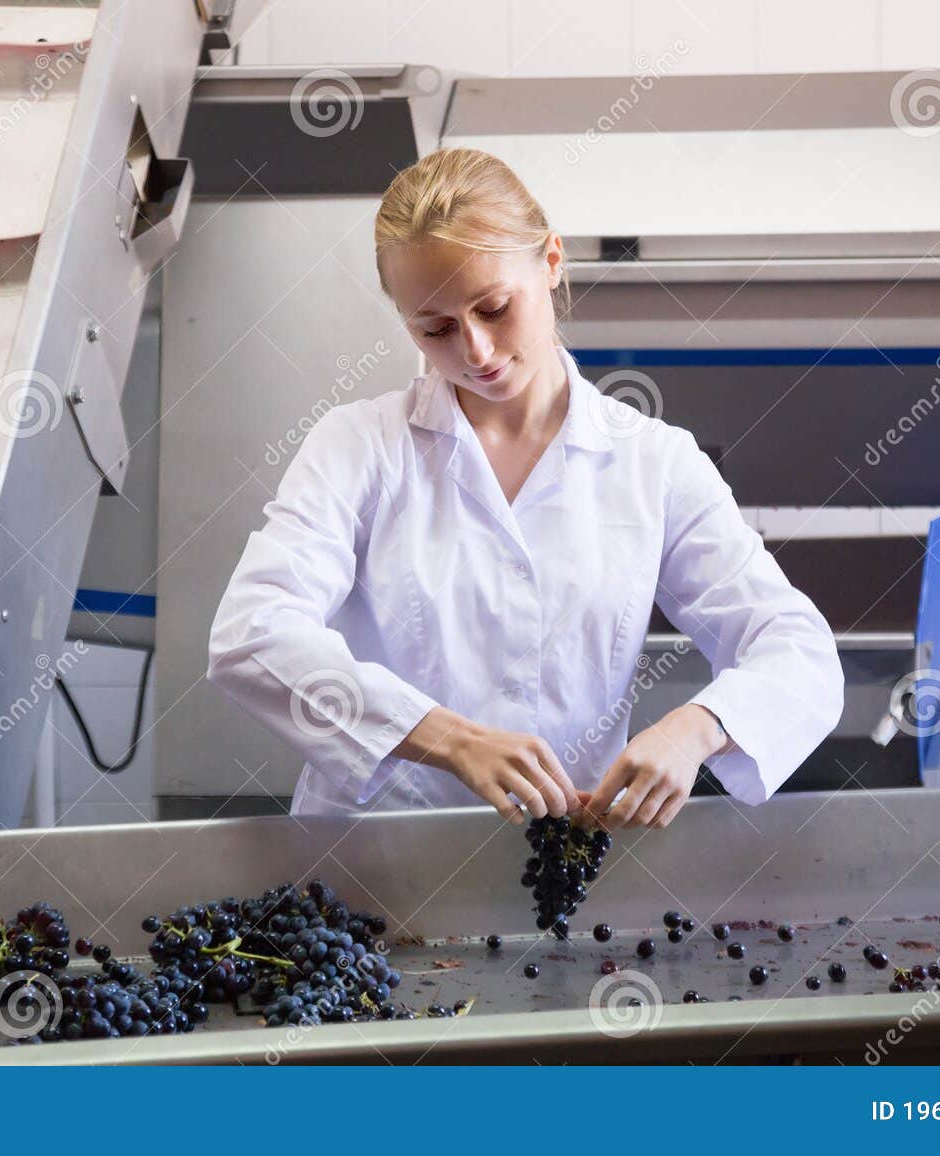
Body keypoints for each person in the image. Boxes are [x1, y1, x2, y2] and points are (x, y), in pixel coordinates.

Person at [208, 147, 842, 829]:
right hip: (375, 869)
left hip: (568, 866)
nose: (475, 351)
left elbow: (797, 648)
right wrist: (448, 739)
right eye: (436, 328)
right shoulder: (360, 447)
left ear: (552, 261)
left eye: (494, 307)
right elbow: (252, 634)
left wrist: (699, 726)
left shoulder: (653, 463)